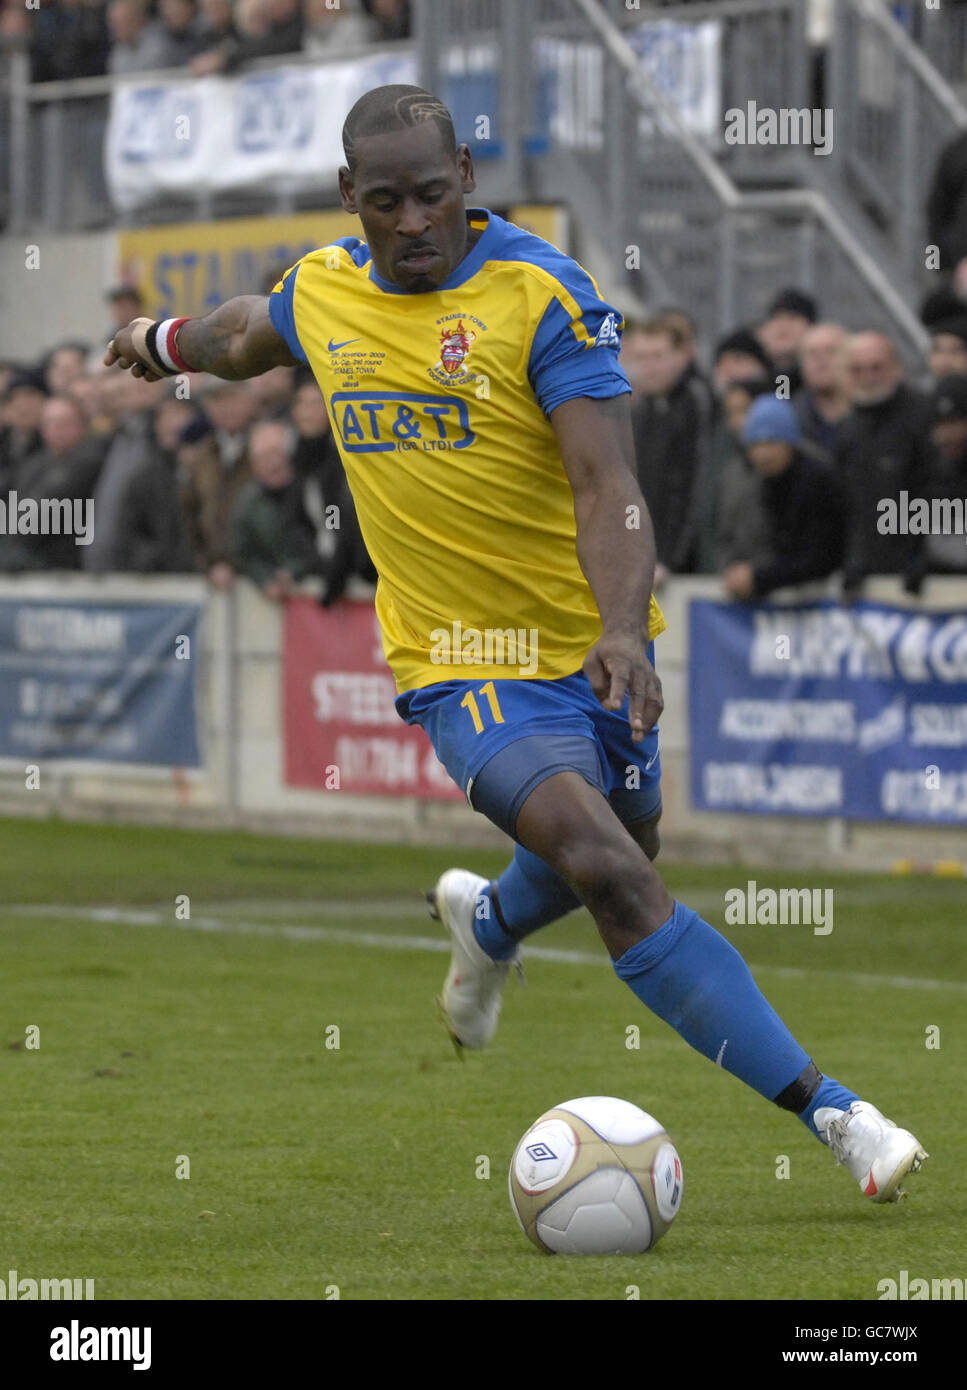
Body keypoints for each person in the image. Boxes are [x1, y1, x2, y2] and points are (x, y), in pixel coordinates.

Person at [105, 83, 927, 1203]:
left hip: (587, 645)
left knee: (623, 841)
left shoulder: (543, 295)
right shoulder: (325, 290)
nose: (409, 223)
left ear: (468, 182)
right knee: (611, 871)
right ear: (349, 195)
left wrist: (623, 630)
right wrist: (160, 341)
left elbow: (609, 485)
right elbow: (242, 330)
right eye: (383, 201)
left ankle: (486, 920)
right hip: (457, 661)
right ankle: (838, 1114)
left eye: (430, 196)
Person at [721, 396, 843, 601]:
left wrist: (759, 578)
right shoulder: (759, 483)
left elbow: (820, 557)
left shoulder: (817, 480)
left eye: (771, 443)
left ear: (790, 443)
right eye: (756, 444)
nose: (764, 453)